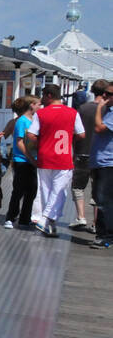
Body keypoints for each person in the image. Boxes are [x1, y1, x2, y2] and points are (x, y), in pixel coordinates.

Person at [26, 83, 85, 237]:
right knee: (59, 191)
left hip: (45, 156)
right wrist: (70, 140)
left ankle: (48, 224)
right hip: (63, 157)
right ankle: (46, 220)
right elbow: (82, 134)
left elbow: (31, 135)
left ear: (49, 96)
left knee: (45, 190)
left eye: (44, 96)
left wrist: (43, 140)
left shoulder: (41, 114)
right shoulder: (72, 113)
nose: (43, 100)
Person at [2, 95, 38, 230]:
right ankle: (10, 217)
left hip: (31, 160)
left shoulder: (33, 120)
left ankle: (25, 218)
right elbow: (19, 142)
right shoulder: (21, 121)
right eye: (38, 104)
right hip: (22, 160)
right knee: (19, 190)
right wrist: (31, 158)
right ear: (31, 105)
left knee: (31, 190)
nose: (40, 107)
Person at [71, 82, 103, 232]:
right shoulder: (107, 110)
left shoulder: (83, 109)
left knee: (78, 186)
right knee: (98, 189)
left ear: (91, 91)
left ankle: (81, 217)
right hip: (100, 154)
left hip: (82, 151)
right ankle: (96, 223)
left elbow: (76, 130)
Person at [90, 81, 113, 250]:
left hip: (108, 163)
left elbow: (99, 128)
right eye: (104, 93)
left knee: (104, 200)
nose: (104, 97)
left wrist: (99, 108)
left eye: (109, 94)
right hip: (101, 162)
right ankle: (104, 234)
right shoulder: (109, 111)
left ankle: (105, 236)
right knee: (100, 199)